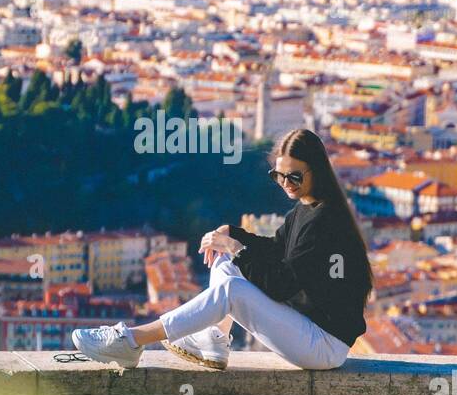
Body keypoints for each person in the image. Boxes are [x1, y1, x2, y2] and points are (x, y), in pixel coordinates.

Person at [71, 127, 373, 371]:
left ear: (316, 171)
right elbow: (276, 249)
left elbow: (281, 284)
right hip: (307, 328)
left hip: (324, 346)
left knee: (231, 287)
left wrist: (236, 246)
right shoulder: (306, 210)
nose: (285, 183)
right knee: (226, 261)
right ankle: (214, 340)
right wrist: (233, 235)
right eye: (279, 176)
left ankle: (132, 339)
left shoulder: (326, 219)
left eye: (295, 176)